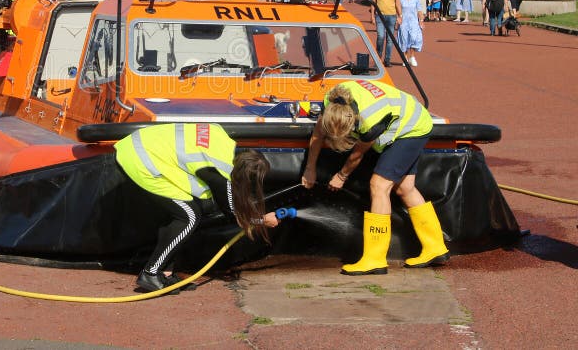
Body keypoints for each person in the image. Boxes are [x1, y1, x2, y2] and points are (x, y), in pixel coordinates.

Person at [301, 80, 449, 275]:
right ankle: (435, 247)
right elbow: (318, 134)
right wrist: (309, 169)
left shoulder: (370, 121)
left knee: (379, 186)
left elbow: (357, 154)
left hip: (413, 127)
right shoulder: (331, 101)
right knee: (405, 188)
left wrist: (341, 176)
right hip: (405, 116)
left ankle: (375, 258)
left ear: (354, 120)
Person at [114, 123, 280, 292]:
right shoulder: (218, 171)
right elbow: (233, 214)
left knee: (180, 214)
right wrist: (262, 220)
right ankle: (150, 273)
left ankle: (166, 272)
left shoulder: (225, 143)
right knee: (188, 217)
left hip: (143, 147)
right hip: (141, 159)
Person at [370, 0, 402, 67]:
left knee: (390, 39)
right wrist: (372, 16)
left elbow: (397, 3)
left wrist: (400, 15)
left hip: (392, 16)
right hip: (380, 15)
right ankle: (378, 58)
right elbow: (373, 2)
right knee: (380, 37)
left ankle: (387, 59)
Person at [397, 0, 425, 67]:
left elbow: (419, 9)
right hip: (404, 21)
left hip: (413, 21)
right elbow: (398, 8)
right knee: (404, 39)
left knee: (414, 38)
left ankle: (412, 57)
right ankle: (405, 58)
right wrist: (399, 17)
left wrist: (421, 20)